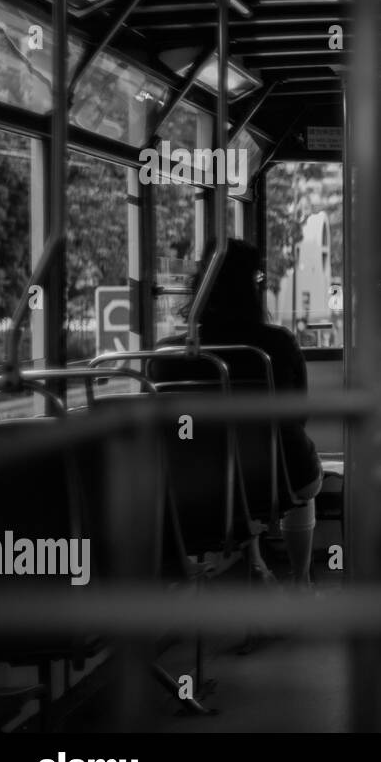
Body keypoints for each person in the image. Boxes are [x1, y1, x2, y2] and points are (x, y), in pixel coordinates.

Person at [158, 239, 322, 587]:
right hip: (278, 473)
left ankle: (255, 563)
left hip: (194, 481)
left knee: (233, 479)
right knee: (297, 475)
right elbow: (298, 416)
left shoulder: (166, 354)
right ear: (252, 287)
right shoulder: (278, 344)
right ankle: (301, 582)